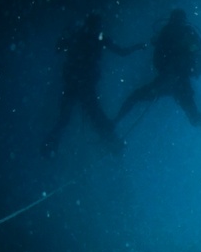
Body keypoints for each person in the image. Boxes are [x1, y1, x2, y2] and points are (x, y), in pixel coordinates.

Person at [42, 12, 147, 157]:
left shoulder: (80, 35)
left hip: (74, 81)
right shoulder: (98, 37)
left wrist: (66, 36)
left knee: (66, 117)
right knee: (94, 114)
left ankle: (50, 145)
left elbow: (58, 48)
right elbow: (121, 51)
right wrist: (138, 47)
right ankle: (112, 142)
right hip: (84, 82)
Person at [112, 9, 201, 133]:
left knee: (135, 97)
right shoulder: (187, 33)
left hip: (167, 79)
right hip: (181, 81)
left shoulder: (167, 31)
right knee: (191, 111)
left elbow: (156, 47)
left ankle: (114, 122)